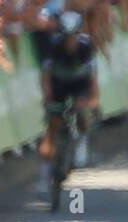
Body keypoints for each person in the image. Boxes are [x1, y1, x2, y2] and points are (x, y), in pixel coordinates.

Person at [37, 9, 99, 197]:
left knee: (83, 116)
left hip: (79, 84)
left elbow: (93, 78)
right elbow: (46, 77)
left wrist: (92, 99)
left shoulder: (86, 46)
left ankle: (81, 144)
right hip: (59, 84)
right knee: (52, 126)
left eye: (73, 36)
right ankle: (44, 176)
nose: (70, 41)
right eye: (66, 37)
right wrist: (48, 98)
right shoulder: (53, 46)